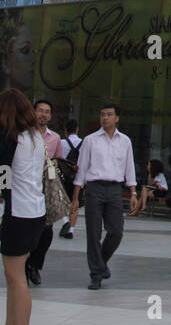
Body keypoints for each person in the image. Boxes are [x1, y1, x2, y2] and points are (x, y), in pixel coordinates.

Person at [0, 88, 44, 325]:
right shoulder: (35, 137)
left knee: (16, 279)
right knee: (12, 277)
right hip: (35, 212)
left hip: (18, 213)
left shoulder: (10, 140)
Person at [70, 102, 137, 290]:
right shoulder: (91, 140)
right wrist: (76, 197)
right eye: (102, 114)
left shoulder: (125, 141)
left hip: (116, 189)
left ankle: (100, 264)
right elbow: (81, 170)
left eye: (109, 114)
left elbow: (129, 168)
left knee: (116, 232)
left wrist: (133, 192)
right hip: (94, 188)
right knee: (93, 232)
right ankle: (96, 274)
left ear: (117, 118)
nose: (105, 117)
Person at [25, 98, 62, 287]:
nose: (43, 114)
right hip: (25, 187)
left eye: (47, 111)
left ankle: (35, 265)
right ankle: (24, 262)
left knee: (47, 231)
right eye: (40, 110)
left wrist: (55, 164)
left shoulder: (55, 138)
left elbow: (59, 163)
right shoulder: (24, 135)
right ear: (33, 112)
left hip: (45, 188)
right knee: (27, 227)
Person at [58, 120, 82, 239]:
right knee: (74, 202)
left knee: (61, 200)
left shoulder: (61, 142)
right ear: (77, 129)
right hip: (78, 177)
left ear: (65, 130)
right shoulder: (83, 143)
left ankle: (65, 221)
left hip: (64, 177)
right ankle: (71, 230)